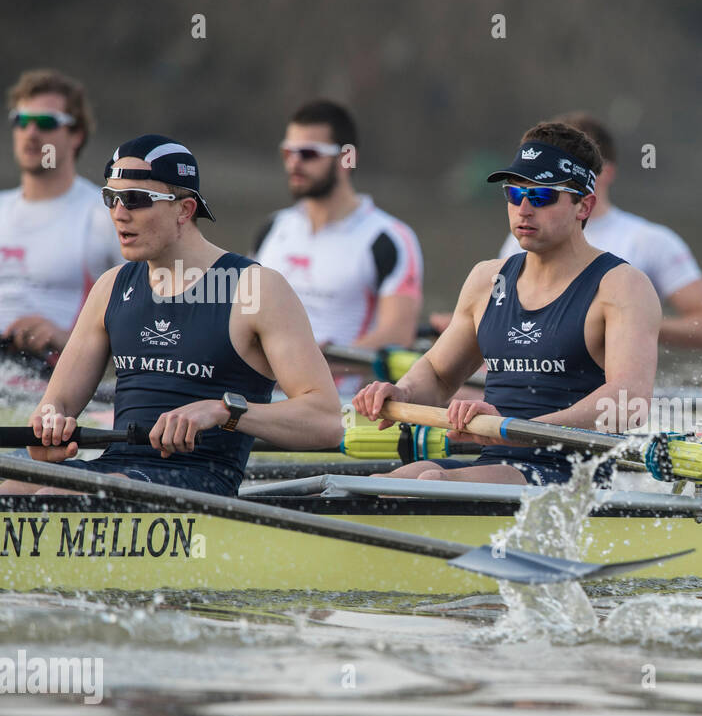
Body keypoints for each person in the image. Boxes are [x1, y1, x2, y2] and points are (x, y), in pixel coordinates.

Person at [0, 135, 343, 496]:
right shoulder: (111, 287)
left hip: (201, 483)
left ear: (184, 209)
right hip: (113, 470)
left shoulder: (256, 288)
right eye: (111, 198)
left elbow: (326, 419)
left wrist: (225, 412)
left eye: (135, 199)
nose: (119, 213)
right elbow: (58, 403)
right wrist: (49, 425)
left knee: (58, 496)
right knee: (10, 493)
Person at [352, 122, 660, 486]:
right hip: (497, 462)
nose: (524, 209)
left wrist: (516, 429)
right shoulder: (487, 279)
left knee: (429, 482)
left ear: (584, 205)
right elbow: (438, 373)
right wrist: (400, 392)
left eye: (542, 197)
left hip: (575, 477)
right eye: (514, 193)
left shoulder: (622, 286)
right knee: (375, 485)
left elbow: (630, 402)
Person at [482, 112, 702, 352]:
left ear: (606, 172)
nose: (525, 206)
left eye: (545, 191)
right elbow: (495, 317)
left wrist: (624, 323)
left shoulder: (650, 240)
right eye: (515, 192)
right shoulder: (527, 234)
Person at [253, 100, 421, 352]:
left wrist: (307, 367)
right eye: (288, 152)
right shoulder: (272, 227)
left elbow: (398, 334)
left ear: (346, 158)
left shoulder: (389, 238)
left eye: (309, 153)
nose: (294, 163)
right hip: (264, 388)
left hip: (340, 390)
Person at [0, 69, 120, 359]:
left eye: (45, 123)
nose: (31, 133)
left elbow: (148, 315)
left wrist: (70, 339)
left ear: (76, 135)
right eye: (22, 120)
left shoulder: (105, 215)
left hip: (54, 381)